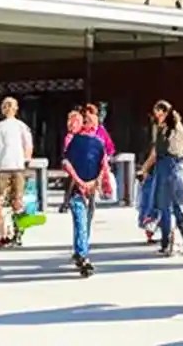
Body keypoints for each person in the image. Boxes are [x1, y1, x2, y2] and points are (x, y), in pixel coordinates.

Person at [138, 101, 183, 257]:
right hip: (173, 168)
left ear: (164, 112)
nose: (156, 116)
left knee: (167, 208)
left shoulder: (168, 130)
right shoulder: (178, 130)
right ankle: (182, 240)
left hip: (169, 167)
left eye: (157, 112)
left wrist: (144, 169)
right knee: (172, 208)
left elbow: (156, 153)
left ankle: (170, 243)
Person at [63, 109, 108, 277]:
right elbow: (67, 162)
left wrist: (96, 182)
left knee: (84, 220)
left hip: (87, 187)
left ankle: (80, 250)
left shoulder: (96, 143)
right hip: (78, 187)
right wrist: (84, 182)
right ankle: (82, 254)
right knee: (82, 219)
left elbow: (102, 163)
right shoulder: (74, 140)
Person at [0, 97, 33, 248]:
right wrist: (25, 161)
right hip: (9, 167)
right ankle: (10, 232)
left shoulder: (11, 126)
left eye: (10, 105)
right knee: (9, 201)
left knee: (8, 201)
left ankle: (10, 233)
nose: (8, 108)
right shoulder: (9, 126)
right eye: (7, 105)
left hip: (9, 166)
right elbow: (28, 145)